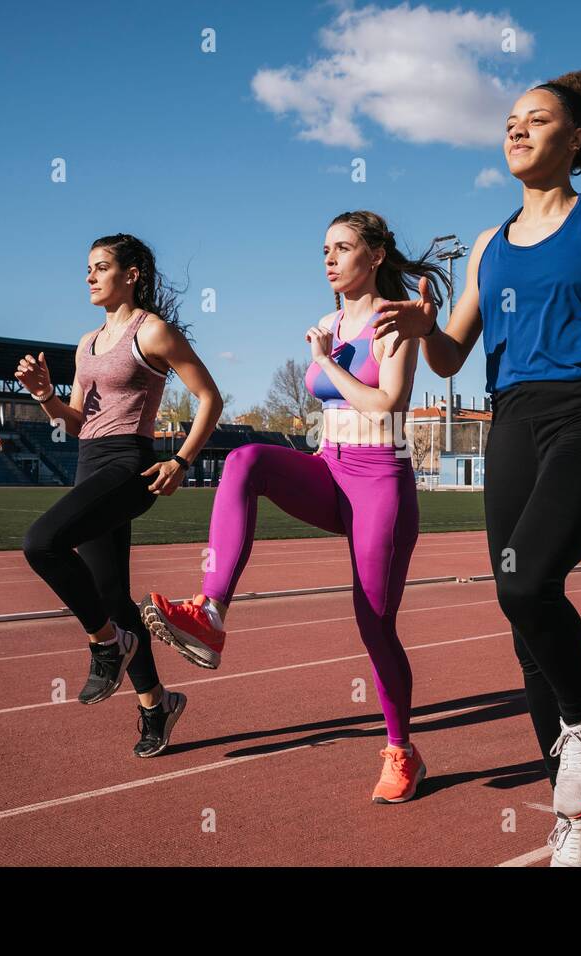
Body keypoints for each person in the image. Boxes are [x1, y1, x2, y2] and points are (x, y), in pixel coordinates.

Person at [374, 70, 581, 864]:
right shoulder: (489, 244)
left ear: (576, 140)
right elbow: (453, 359)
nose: (516, 131)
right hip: (513, 421)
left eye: (537, 120)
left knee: (527, 584)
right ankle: (576, 814)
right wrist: (424, 326)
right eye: (511, 121)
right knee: (523, 622)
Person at [144, 211, 449, 803]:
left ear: (377, 255)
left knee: (375, 625)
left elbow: (388, 405)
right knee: (245, 462)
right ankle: (210, 612)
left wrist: (330, 362)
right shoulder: (329, 321)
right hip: (328, 467)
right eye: (324, 250)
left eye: (342, 248)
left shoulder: (395, 324)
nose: (329, 259)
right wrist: (327, 350)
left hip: (380, 479)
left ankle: (402, 752)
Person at [15, 233, 223, 757]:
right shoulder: (85, 343)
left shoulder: (150, 331)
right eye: (87, 267)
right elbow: (77, 417)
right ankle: (157, 705)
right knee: (110, 596)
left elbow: (209, 397)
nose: (89, 275)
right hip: (88, 464)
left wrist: (181, 460)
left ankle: (105, 643)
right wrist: (45, 398)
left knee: (41, 543)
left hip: (130, 465)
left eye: (101, 266)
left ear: (130, 274)